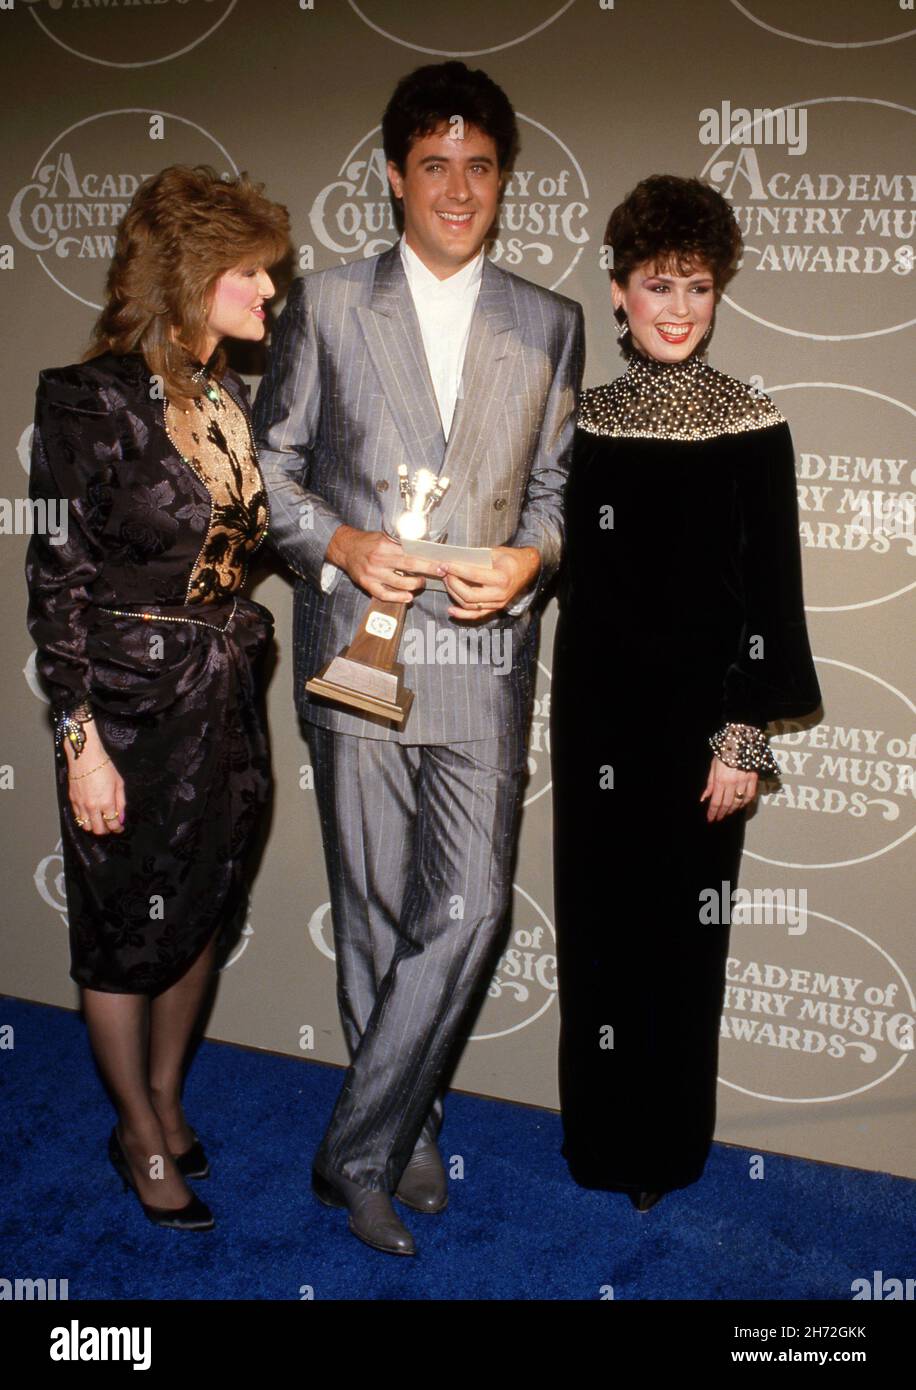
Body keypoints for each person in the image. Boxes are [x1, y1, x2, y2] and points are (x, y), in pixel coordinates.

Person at [254, 60, 585, 1255]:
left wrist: (533, 563)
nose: (457, 189)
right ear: (395, 176)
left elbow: (556, 493)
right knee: (376, 913)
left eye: (480, 168)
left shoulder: (549, 321)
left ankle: (353, 1148)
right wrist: (338, 543)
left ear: (503, 182)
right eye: (433, 166)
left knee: (470, 909)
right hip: (358, 651)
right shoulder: (331, 305)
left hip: (484, 665)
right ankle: (408, 1130)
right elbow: (267, 475)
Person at [25, 164, 289, 1231]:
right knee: (122, 932)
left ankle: (169, 1099)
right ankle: (134, 1128)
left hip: (224, 698)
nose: (268, 294)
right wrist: (77, 737)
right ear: (188, 278)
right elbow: (58, 579)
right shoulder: (83, 398)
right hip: (127, 712)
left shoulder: (228, 400)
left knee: (199, 916)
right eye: (249, 275)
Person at [551, 175, 821, 1212]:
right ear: (618, 293)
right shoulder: (587, 421)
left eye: (696, 287)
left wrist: (742, 737)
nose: (675, 307)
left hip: (700, 733)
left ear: (717, 297)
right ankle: (598, 1141)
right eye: (655, 285)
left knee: (679, 945)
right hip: (595, 720)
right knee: (599, 933)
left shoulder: (752, 423)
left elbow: (772, 594)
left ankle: (662, 1152)